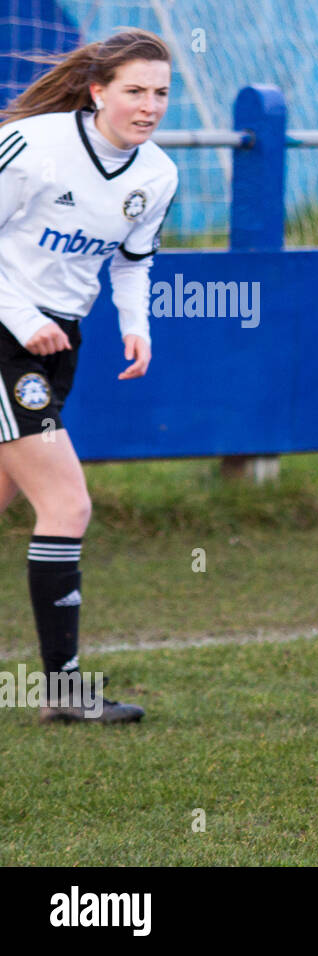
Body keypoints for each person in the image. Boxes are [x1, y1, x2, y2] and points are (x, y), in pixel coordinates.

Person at [0, 29, 179, 723]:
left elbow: (132, 262)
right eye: (135, 90)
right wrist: (19, 316)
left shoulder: (156, 174)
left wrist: (138, 325)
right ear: (98, 90)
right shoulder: (36, 146)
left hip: (57, 342)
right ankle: (65, 690)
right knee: (68, 506)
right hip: (8, 335)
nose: (150, 106)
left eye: (161, 93)